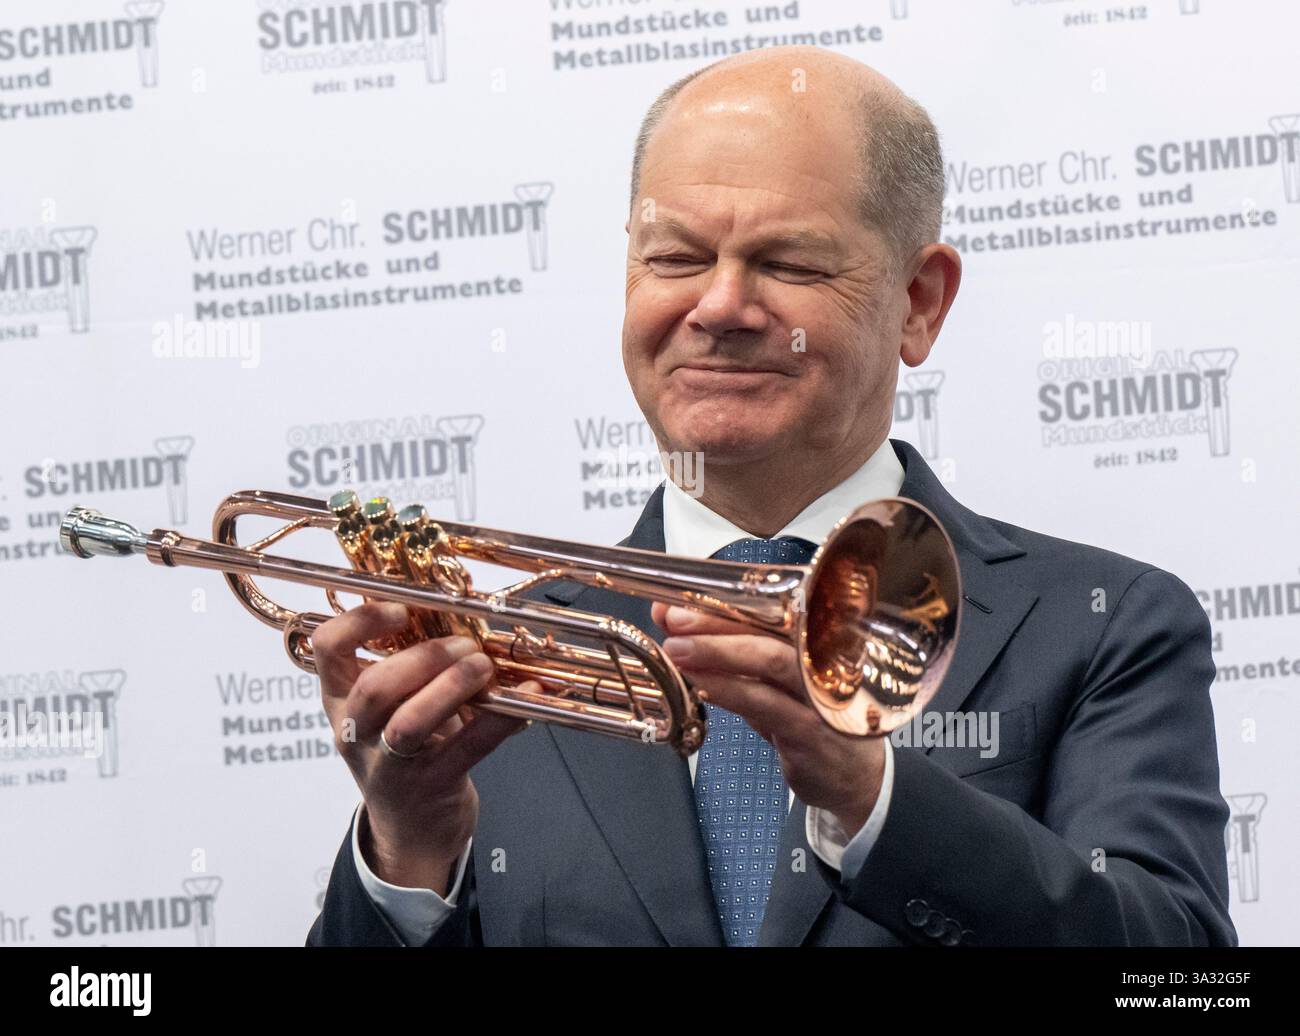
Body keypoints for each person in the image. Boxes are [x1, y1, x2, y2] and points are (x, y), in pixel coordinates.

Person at [306, 46, 1235, 947]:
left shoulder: (1106, 625)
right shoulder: (500, 656)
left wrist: (875, 802)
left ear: (919, 302)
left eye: (790, 264)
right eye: (674, 258)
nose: (718, 307)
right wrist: (410, 851)